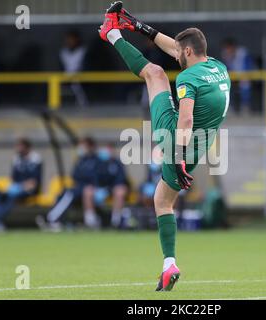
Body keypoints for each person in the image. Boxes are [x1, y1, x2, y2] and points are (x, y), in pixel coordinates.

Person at [98, 1, 230, 291]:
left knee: (154, 73)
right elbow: (176, 48)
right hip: (197, 147)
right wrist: (139, 26)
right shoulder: (218, 68)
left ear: (187, 53)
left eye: (179, 52)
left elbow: (185, 121)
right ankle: (169, 264)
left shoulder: (188, 78)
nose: (176, 54)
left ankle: (111, 34)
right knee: (163, 201)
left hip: (177, 143)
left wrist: (177, 157)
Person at [38, 137, 100, 230]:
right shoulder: (81, 160)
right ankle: (56, 218)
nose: (81, 148)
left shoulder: (97, 161)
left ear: (90, 146)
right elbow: (74, 175)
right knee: (63, 193)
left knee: (69, 194)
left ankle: (52, 219)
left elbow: (96, 177)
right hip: (79, 187)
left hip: (89, 188)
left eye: (84, 146)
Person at [0, 138, 42, 231]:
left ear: (27, 147)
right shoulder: (17, 159)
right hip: (17, 188)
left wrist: (22, 186)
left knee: (10, 198)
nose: (19, 149)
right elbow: (13, 179)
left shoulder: (35, 160)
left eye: (21, 146)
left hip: (29, 190)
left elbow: (34, 182)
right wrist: (15, 187)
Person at [83, 142, 130, 229]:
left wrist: (108, 189)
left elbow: (121, 180)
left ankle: (116, 220)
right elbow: (93, 178)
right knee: (88, 190)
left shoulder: (117, 164)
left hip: (112, 189)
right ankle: (91, 221)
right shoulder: (97, 163)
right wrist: (98, 188)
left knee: (120, 191)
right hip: (99, 189)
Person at [221, 38, 254, 115]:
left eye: (228, 48)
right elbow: (226, 67)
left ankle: (245, 108)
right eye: (226, 48)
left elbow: (249, 65)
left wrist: (245, 74)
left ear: (233, 46)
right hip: (233, 76)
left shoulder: (243, 52)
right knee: (225, 86)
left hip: (244, 75)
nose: (227, 50)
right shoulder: (225, 53)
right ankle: (229, 107)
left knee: (245, 87)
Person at [59, 30, 89, 107]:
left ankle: (83, 104)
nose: (70, 41)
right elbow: (61, 68)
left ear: (77, 39)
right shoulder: (63, 52)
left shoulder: (83, 50)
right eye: (68, 39)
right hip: (66, 77)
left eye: (72, 39)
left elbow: (86, 67)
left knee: (77, 85)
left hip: (81, 78)